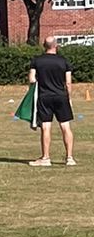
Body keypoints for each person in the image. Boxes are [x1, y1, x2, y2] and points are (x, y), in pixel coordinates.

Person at [29, 37, 76, 167]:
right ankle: (69, 158)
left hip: (44, 97)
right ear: (56, 46)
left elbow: (32, 79)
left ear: (44, 46)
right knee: (65, 126)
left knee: (45, 127)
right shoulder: (64, 61)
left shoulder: (37, 60)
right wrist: (69, 97)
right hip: (61, 96)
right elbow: (68, 82)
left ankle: (46, 158)